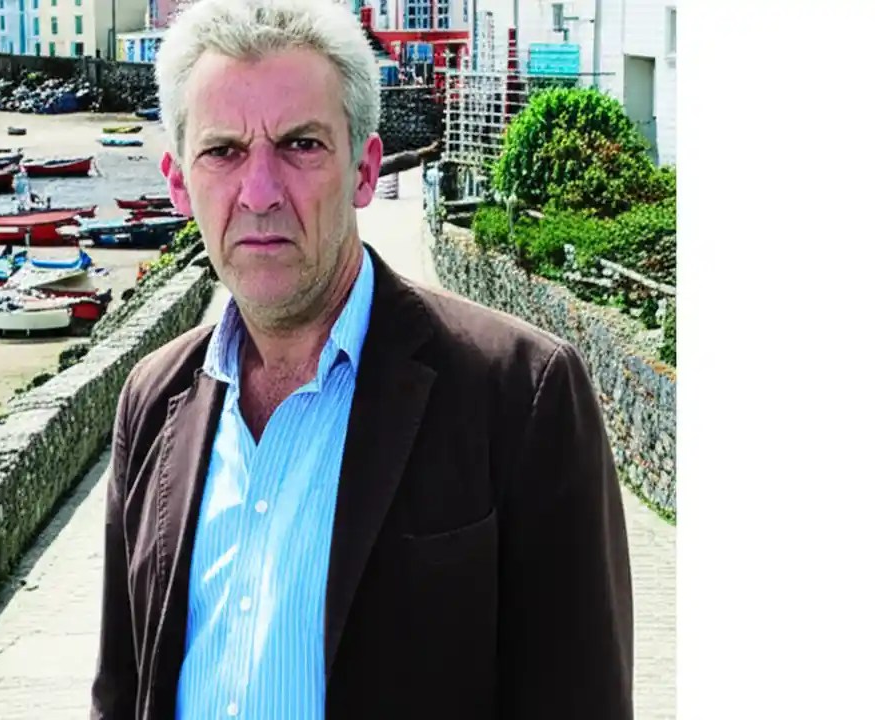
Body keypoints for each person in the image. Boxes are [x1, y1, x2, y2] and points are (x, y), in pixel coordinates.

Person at [90, 0, 633, 718]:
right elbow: (122, 690)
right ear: (179, 181)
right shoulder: (152, 400)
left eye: (301, 145)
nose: (260, 193)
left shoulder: (521, 395)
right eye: (223, 151)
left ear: (365, 170)